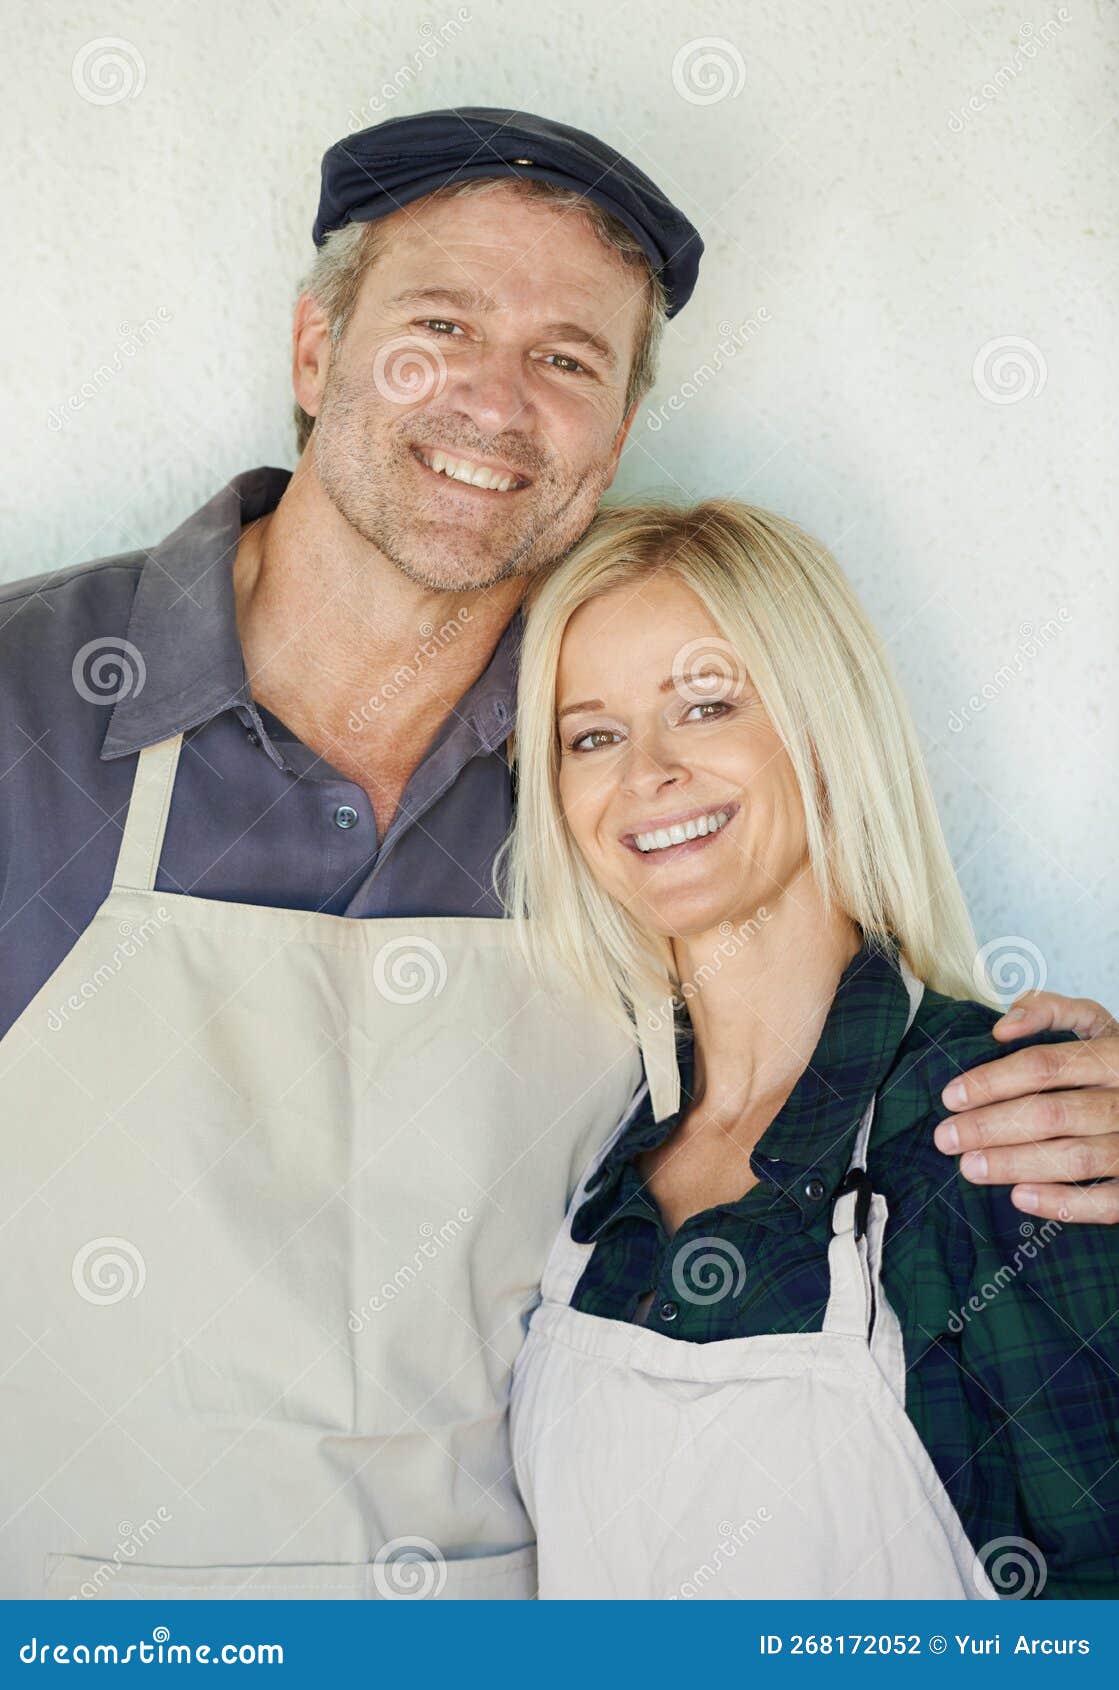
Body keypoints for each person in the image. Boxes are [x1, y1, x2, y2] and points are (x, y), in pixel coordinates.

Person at [0, 107, 1114, 1601]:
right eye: (439, 325)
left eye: (567, 360)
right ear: (314, 355)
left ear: (613, 435)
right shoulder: (29, 706)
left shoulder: (611, 782)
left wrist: (1056, 1091)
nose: (493, 401)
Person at [504, 499, 1119, 1601]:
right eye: (591, 734)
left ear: (825, 731)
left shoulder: (1002, 1132)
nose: (647, 771)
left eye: (706, 705)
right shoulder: (598, 1166)